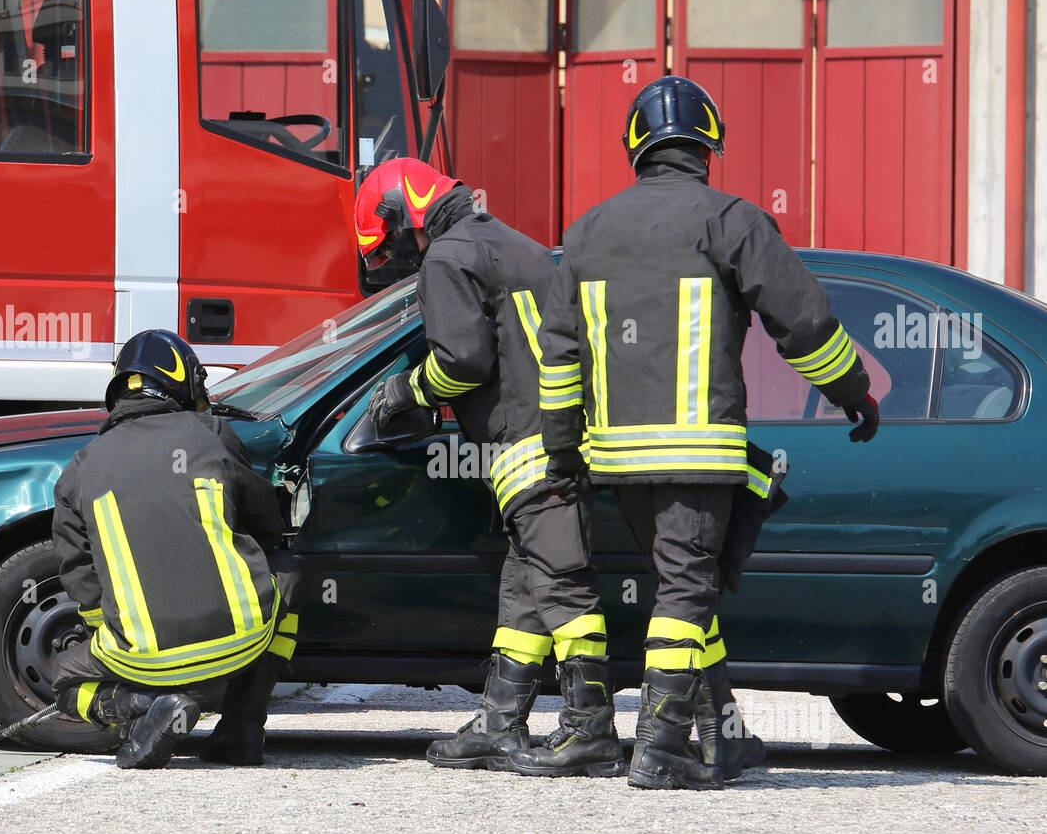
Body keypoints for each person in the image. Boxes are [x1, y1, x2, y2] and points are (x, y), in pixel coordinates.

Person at [536, 76, 878, 791]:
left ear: (636, 146)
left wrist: (563, 446)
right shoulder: (731, 219)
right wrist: (851, 390)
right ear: (706, 144)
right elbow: (802, 322)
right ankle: (659, 748)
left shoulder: (585, 232)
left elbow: (559, 352)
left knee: (677, 589)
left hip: (616, 460)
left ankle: (721, 738)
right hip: (697, 454)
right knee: (687, 593)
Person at [355, 159, 625, 777]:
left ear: (404, 216)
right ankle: (499, 722)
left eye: (391, 240)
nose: (396, 254)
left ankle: (592, 729)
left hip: (530, 447)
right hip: (554, 440)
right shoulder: (515, 243)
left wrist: (408, 393)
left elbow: (463, 362)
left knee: (560, 582)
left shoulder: (448, 259)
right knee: (525, 586)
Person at [51, 330, 297, 769]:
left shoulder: (80, 470)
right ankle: (243, 727)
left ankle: (140, 706)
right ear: (183, 382)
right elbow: (267, 527)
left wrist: (102, 632)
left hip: (142, 659)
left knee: (64, 678)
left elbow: (81, 580)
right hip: (242, 642)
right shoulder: (213, 433)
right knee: (288, 573)